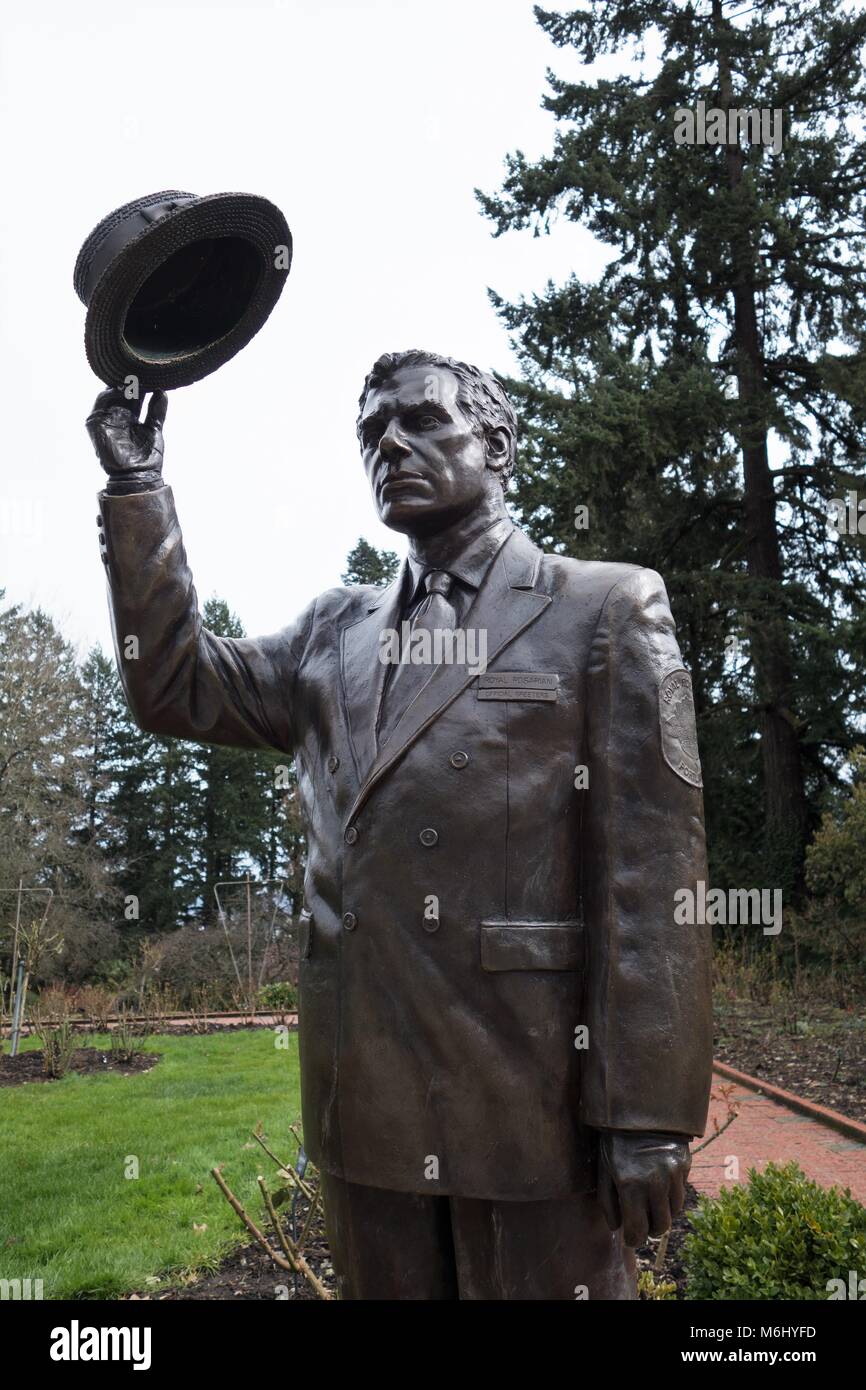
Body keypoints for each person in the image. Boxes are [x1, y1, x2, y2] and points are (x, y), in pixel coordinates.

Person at [86, 349, 712, 1300]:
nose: (391, 443)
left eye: (422, 421)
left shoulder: (604, 608)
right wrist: (139, 490)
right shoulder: (334, 631)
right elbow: (174, 684)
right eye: (373, 431)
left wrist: (648, 1118)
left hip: (529, 1106)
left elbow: (656, 880)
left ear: (497, 443)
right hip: (364, 1105)